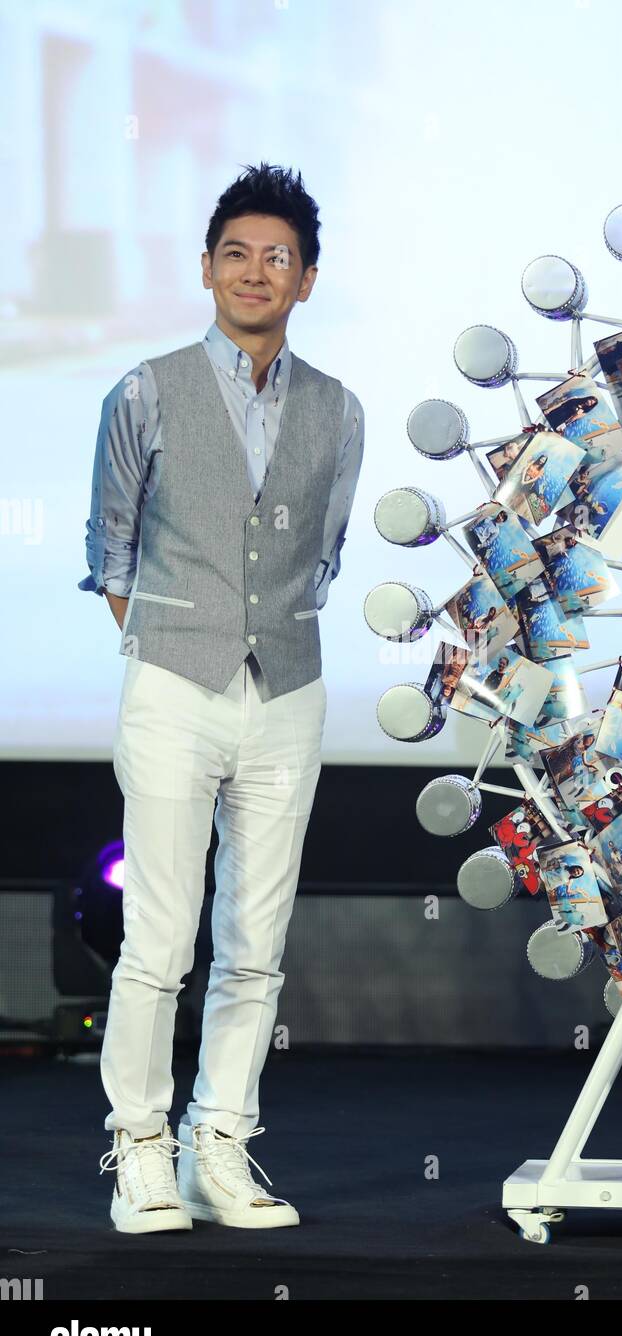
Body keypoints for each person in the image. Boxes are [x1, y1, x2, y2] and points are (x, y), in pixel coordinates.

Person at [80, 164, 365, 1234]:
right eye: (237, 253)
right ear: (207, 268)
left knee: (256, 941)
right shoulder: (146, 390)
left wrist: (259, 638)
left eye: (276, 257)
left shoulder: (338, 411)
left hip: (287, 687)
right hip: (171, 682)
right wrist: (172, 652)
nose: (255, 271)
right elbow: (112, 549)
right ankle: (140, 1148)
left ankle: (221, 1143)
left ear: (306, 279)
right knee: (160, 937)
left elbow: (322, 554)